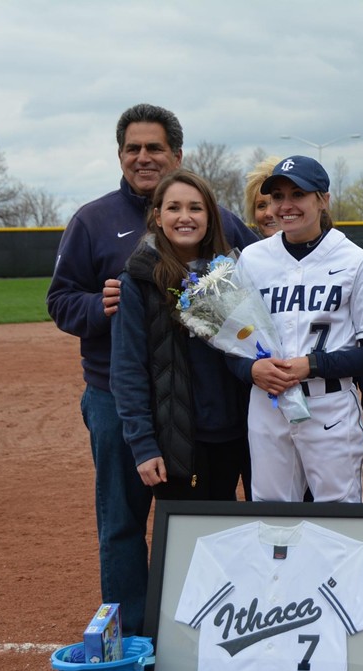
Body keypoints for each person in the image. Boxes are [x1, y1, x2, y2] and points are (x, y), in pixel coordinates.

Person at [46, 103, 257, 636]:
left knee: (200, 516)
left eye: (154, 148)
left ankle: (210, 630)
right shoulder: (91, 220)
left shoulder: (220, 220)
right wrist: (103, 308)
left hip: (202, 401)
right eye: (133, 149)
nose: (143, 157)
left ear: (176, 154)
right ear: (120, 155)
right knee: (122, 523)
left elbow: (260, 285)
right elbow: (61, 301)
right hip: (118, 397)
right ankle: (135, 640)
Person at [235, 155, 363, 503]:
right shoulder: (252, 259)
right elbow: (233, 345)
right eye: (277, 196)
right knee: (270, 515)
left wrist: (313, 364)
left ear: (323, 200)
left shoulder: (354, 261)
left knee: (340, 519)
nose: (285, 205)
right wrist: (249, 368)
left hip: (329, 405)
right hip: (268, 405)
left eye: (298, 194)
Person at [110, 170, 251, 501]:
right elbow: (128, 370)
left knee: (234, 534)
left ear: (210, 216)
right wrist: (143, 445)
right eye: (174, 208)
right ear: (158, 216)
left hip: (237, 434)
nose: (185, 217)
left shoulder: (234, 274)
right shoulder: (137, 281)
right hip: (178, 441)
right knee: (187, 541)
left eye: (196, 208)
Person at [244, 155, 282, 238]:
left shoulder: (316, 249)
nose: (268, 213)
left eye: (276, 202)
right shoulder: (249, 250)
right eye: (261, 206)